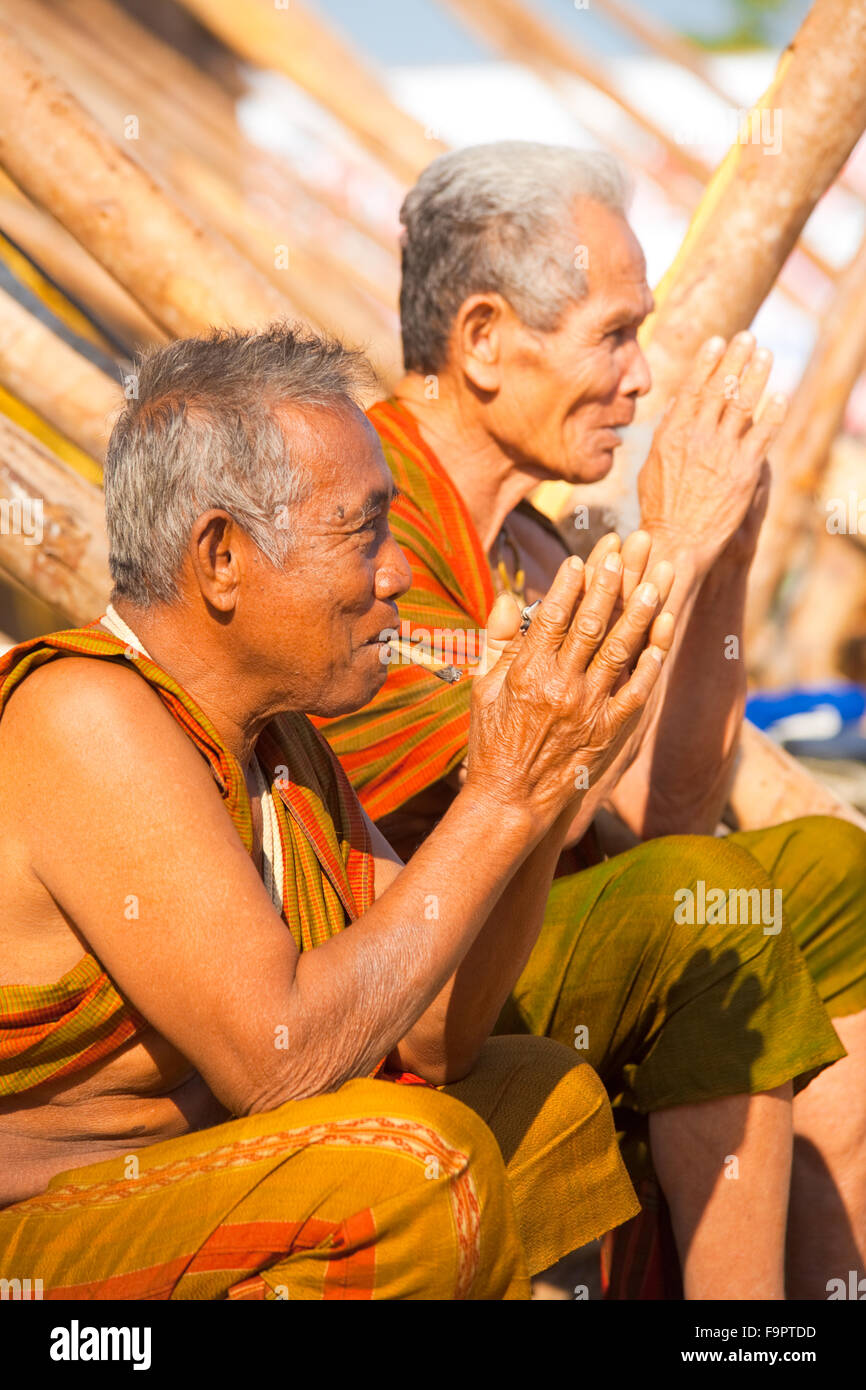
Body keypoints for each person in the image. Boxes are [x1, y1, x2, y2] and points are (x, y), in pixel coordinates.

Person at [0, 323, 686, 1301]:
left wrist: (542, 782)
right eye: (358, 530)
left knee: (538, 1096)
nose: (396, 573)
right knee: (414, 1168)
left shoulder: (283, 749)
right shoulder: (87, 713)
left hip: (181, 1187)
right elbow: (275, 1064)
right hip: (34, 1242)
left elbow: (437, 1034)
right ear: (223, 559)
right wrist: (497, 795)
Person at [319, 142, 866, 1300]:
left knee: (827, 864)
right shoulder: (367, 521)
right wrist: (663, 547)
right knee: (697, 915)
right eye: (613, 335)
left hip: (537, 936)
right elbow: (537, 803)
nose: (637, 377)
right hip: (414, 978)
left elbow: (665, 812)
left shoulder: (535, 543)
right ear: (479, 341)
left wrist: (715, 567)